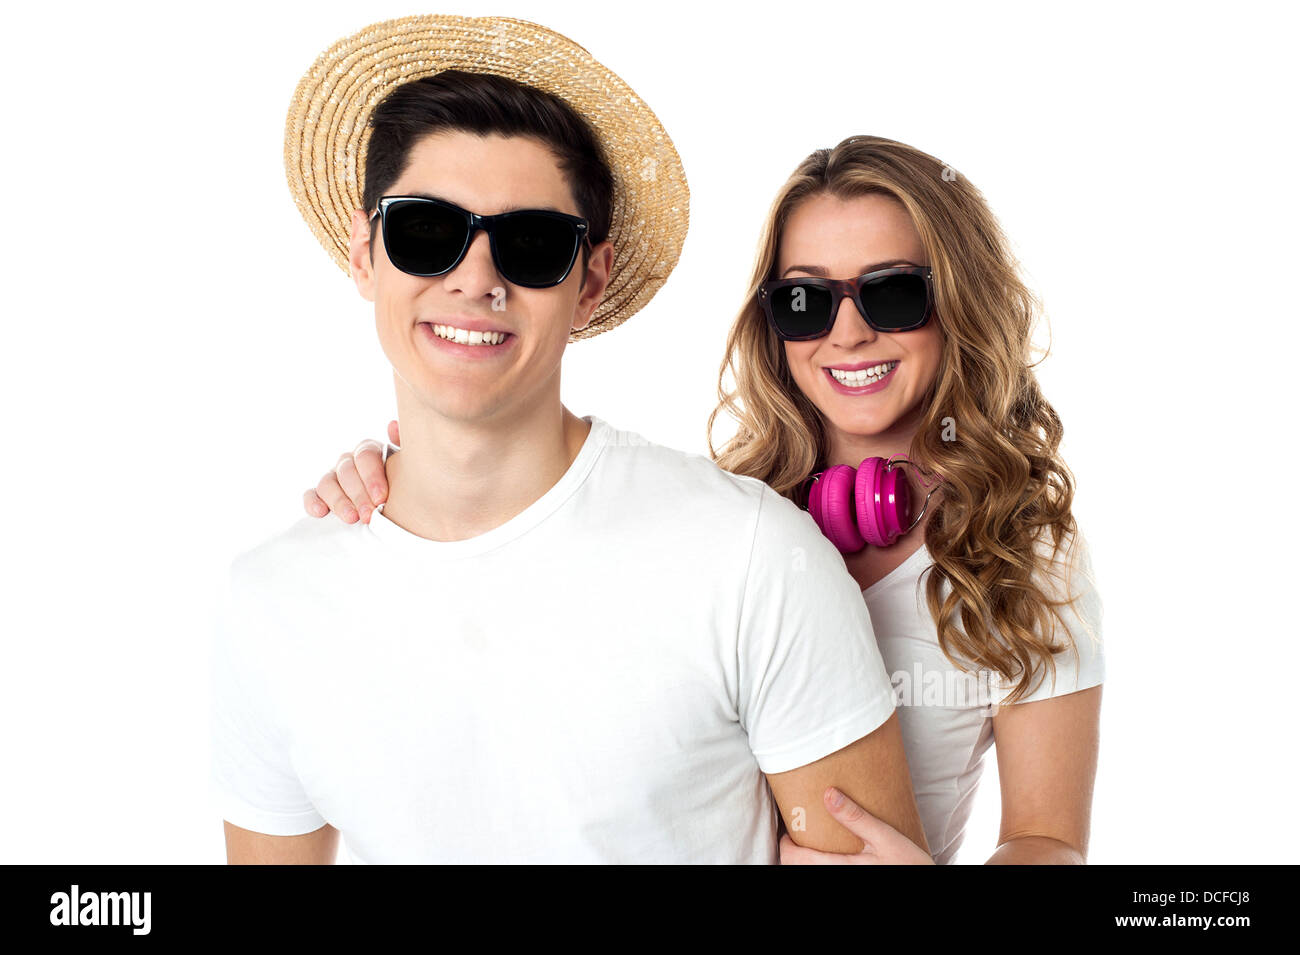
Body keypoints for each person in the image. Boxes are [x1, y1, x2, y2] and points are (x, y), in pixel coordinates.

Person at [210, 15, 929, 865]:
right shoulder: (270, 602)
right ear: (365, 254)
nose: (476, 278)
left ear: (589, 281)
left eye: (532, 244)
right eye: (427, 232)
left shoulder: (749, 558)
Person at [309, 135, 1105, 865]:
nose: (849, 332)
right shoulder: (730, 519)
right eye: (806, 301)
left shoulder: (1020, 551)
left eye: (894, 294)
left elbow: (1047, 839)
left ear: (958, 305)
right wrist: (417, 492)